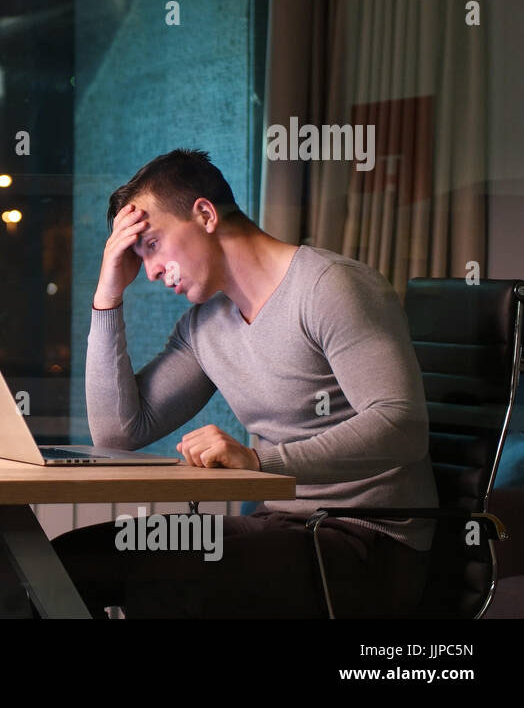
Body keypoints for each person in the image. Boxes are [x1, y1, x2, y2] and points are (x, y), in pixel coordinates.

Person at [52, 148, 436, 618]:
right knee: (69, 561)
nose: (149, 272)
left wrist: (258, 461)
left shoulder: (330, 288)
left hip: (368, 538)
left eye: (150, 245)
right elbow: (118, 432)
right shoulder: (205, 326)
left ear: (206, 214)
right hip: (280, 526)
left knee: (169, 577)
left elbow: (402, 427)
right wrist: (108, 295)